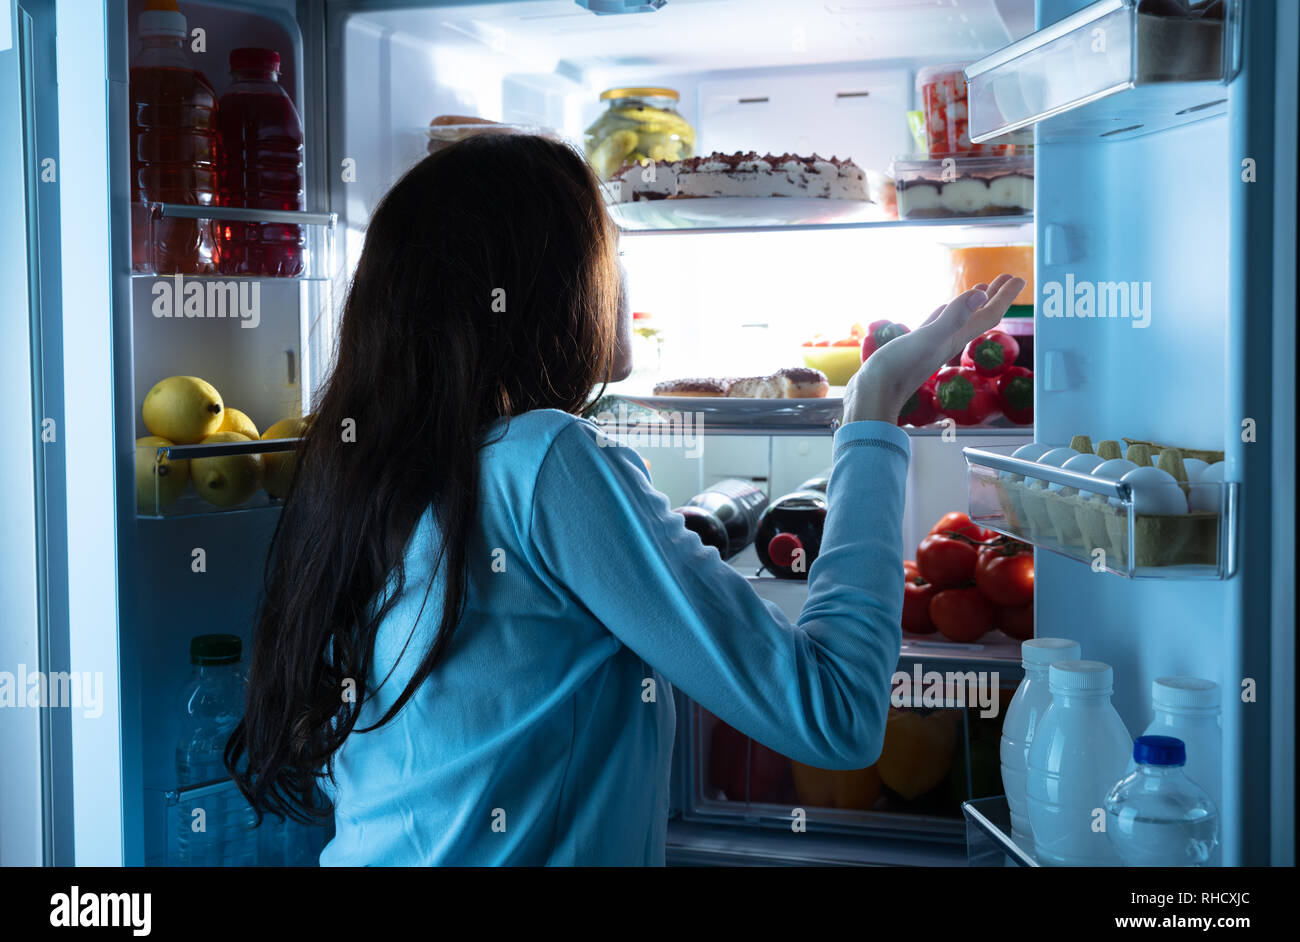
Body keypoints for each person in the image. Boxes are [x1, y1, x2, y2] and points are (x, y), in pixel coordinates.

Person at [226, 133, 1026, 865]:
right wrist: (873, 408)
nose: (620, 273)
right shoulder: (547, 458)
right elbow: (835, 713)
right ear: (540, 283)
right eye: (604, 245)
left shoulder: (372, 469)